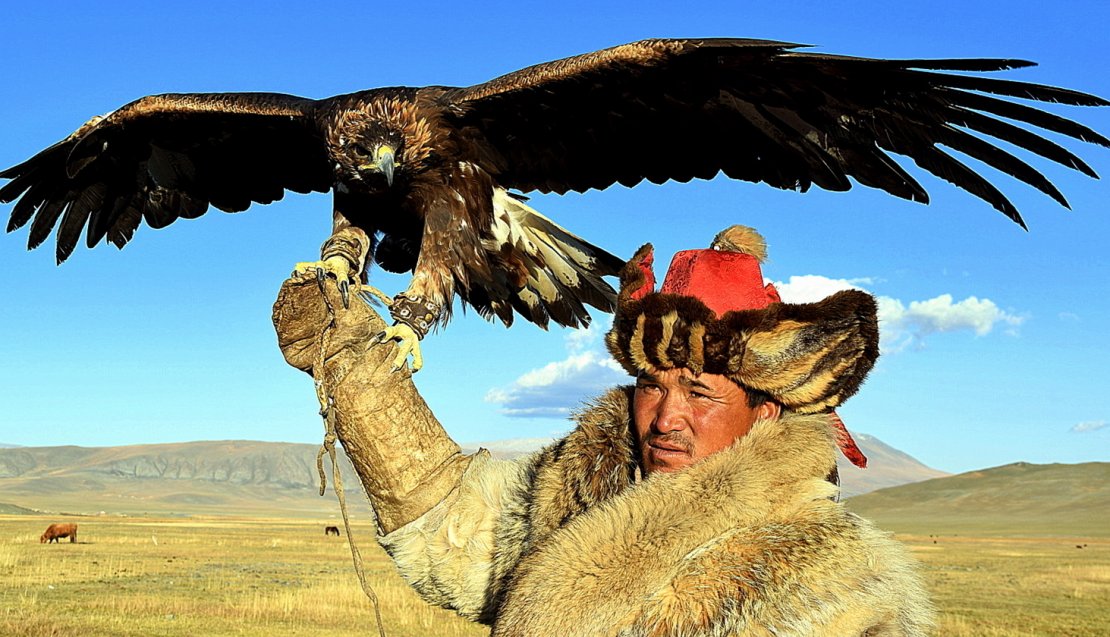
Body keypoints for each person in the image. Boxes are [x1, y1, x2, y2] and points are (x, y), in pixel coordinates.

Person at [273, 225, 933, 636]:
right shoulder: (579, 490)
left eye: (699, 391)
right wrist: (357, 375)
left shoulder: (836, 586)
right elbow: (454, 521)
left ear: (765, 409)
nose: (665, 416)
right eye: (652, 384)